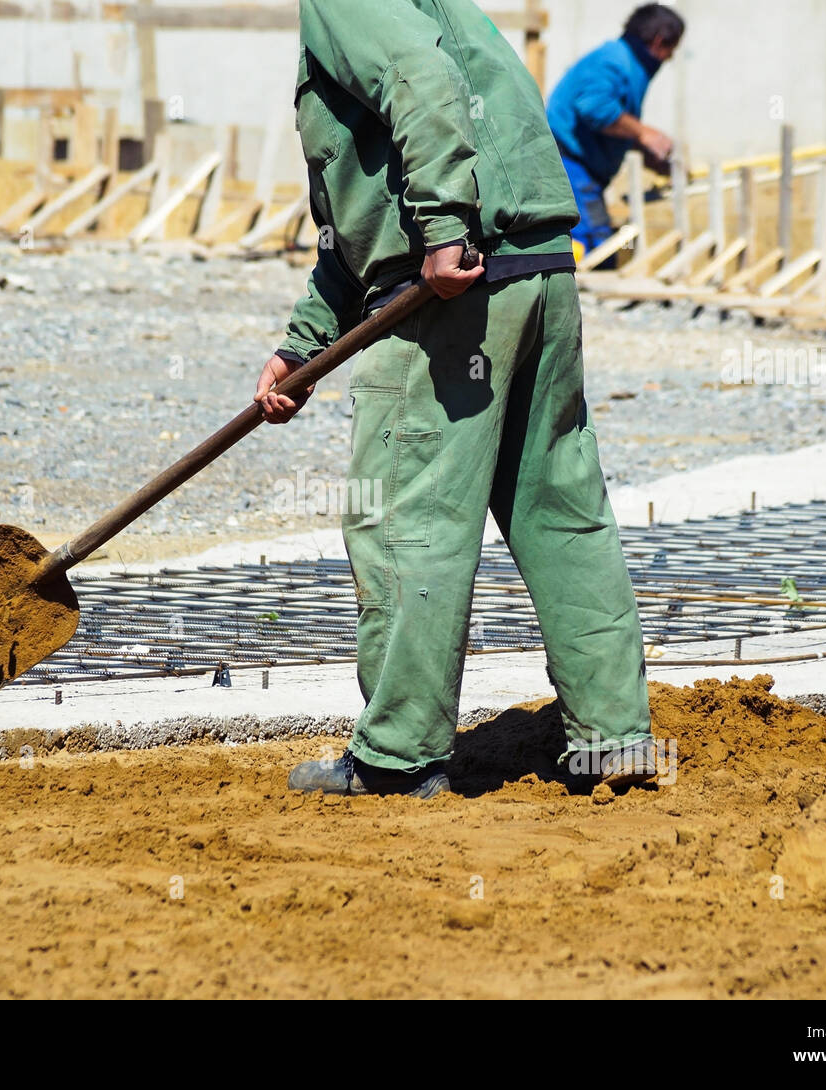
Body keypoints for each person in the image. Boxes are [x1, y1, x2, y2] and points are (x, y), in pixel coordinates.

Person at [254, 0, 655, 798]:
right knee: (561, 511)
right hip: (536, 275)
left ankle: (398, 758)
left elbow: (421, 83)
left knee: (407, 520)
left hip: (455, 296)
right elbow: (355, 232)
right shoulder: (436, 7)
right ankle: (614, 741)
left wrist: (441, 230)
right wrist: (300, 348)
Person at [546, 3, 684, 260]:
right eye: (671, 49)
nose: (670, 58)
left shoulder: (627, 63)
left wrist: (643, 149)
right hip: (568, 163)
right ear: (659, 41)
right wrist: (644, 133)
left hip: (581, 165)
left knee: (597, 246)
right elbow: (594, 109)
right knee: (596, 248)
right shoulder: (613, 61)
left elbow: (608, 123)